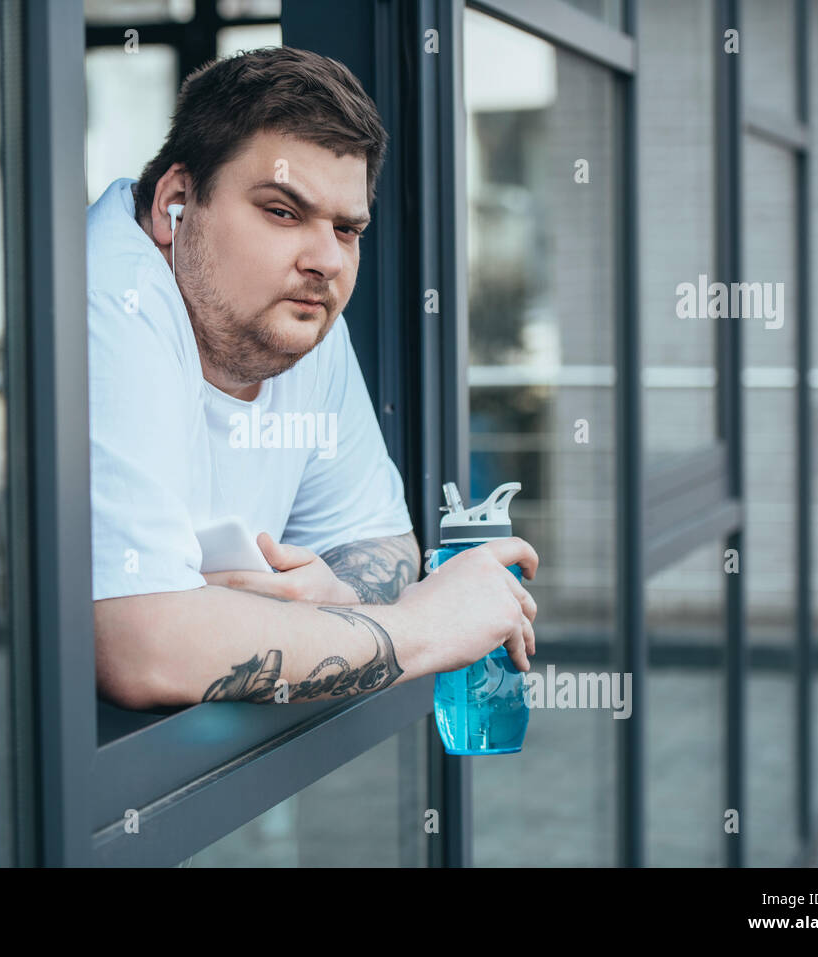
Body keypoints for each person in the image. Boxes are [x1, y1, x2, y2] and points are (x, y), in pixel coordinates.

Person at [88, 46, 538, 710]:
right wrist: (427, 625)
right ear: (175, 204)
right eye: (282, 211)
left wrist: (340, 602)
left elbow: (379, 541)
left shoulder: (295, 312)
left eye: (347, 228)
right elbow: (144, 647)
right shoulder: (113, 295)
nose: (326, 259)